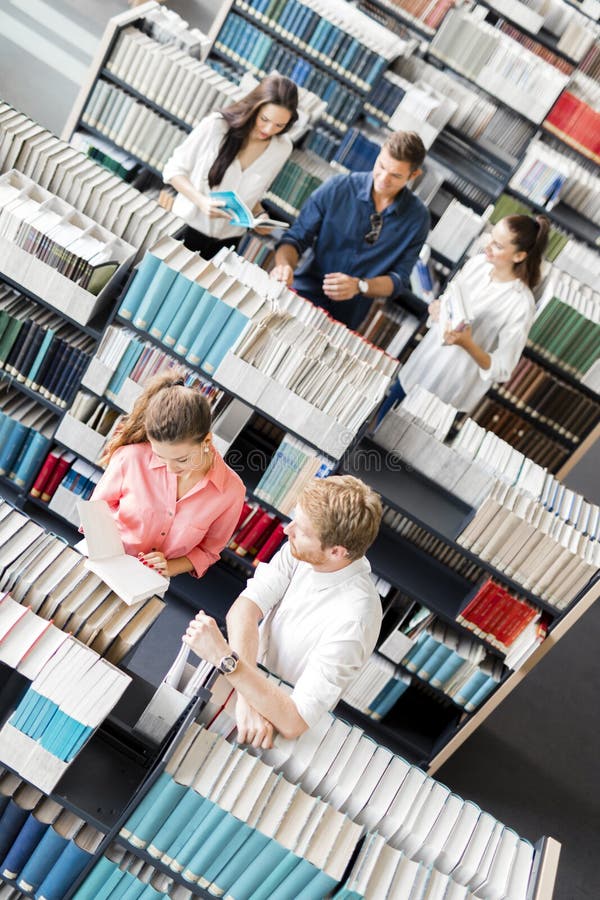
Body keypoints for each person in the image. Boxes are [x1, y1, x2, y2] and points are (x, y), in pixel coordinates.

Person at [183, 475, 383, 748]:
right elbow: (245, 610)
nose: (287, 530)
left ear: (337, 552)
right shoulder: (301, 549)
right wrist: (246, 698)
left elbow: (294, 720)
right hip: (242, 693)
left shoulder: (356, 619)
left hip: (271, 733)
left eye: (302, 530)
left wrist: (224, 658)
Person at [375, 214, 551, 423]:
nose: (487, 246)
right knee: (376, 425)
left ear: (519, 256)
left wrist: (468, 344)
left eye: (498, 246)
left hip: (447, 393)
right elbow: (448, 302)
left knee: (394, 440)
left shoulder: (521, 305)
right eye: (491, 237)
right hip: (421, 366)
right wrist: (438, 308)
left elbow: (502, 369)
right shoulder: (477, 264)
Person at [270, 131, 430, 331]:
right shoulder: (338, 187)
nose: (383, 179)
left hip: (345, 320)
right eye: (381, 166)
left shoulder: (418, 219)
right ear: (379, 153)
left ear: (413, 175)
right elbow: (295, 238)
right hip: (302, 295)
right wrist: (284, 266)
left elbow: (399, 279)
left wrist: (360, 286)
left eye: (396, 175)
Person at [91, 372, 245, 579]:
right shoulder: (131, 457)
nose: (171, 469)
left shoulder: (231, 492)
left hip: (151, 582)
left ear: (207, 441)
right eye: (160, 456)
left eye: (181, 459)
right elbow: (95, 512)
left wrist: (168, 567)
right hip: (102, 564)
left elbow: (208, 552)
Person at [162, 74, 298, 258]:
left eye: (279, 125)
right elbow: (173, 170)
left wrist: (260, 216)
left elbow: (254, 195)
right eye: (264, 119)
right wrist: (201, 201)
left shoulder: (282, 148)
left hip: (228, 243)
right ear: (254, 108)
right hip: (186, 226)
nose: (269, 130)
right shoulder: (216, 125)